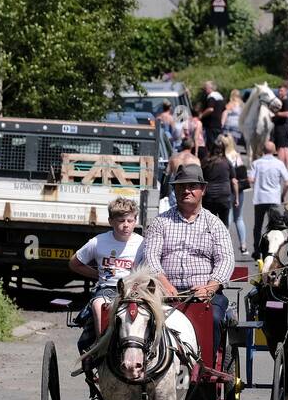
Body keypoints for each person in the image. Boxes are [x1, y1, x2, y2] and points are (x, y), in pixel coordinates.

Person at [137, 163, 235, 358]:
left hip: (202, 294)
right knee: (137, 319)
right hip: (164, 293)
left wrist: (209, 288)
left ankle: (206, 367)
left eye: (191, 186)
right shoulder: (160, 222)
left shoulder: (214, 224)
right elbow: (151, 256)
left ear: (203, 190)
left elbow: (225, 259)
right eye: (180, 187)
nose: (186, 191)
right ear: (174, 190)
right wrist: (164, 283)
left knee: (214, 318)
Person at [69, 197, 144, 347]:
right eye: (121, 221)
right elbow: (74, 263)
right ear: (111, 221)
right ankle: (102, 344)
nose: (126, 225)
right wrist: (97, 275)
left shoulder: (142, 243)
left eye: (130, 221)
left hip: (134, 290)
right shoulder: (98, 242)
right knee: (98, 305)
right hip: (108, 289)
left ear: (135, 220)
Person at [248, 140, 288, 258]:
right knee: (276, 225)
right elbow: (287, 183)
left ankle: (257, 250)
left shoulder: (257, 163)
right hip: (274, 198)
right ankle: (275, 249)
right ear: (275, 151)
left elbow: (251, 179)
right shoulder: (279, 164)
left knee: (258, 226)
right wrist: (283, 195)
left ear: (262, 150)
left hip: (260, 198)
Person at [220, 134, 250, 255]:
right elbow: (242, 173)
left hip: (226, 190)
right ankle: (243, 245)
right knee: (239, 218)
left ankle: (225, 245)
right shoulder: (236, 156)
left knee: (228, 218)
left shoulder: (222, 157)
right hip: (238, 190)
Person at [201, 138, 236, 226]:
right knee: (224, 225)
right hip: (224, 197)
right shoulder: (227, 162)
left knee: (208, 225)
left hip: (209, 197)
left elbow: (201, 179)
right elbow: (234, 180)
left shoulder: (206, 162)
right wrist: (237, 197)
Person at [271, 85, 288, 169]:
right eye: (279, 91)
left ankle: (281, 166)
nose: (280, 92)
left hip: (282, 127)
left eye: (282, 91)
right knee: (285, 147)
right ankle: (286, 167)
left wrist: (275, 114)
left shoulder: (285, 101)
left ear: (286, 91)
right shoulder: (282, 101)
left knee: (280, 148)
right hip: (284, 127)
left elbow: (287, 114)